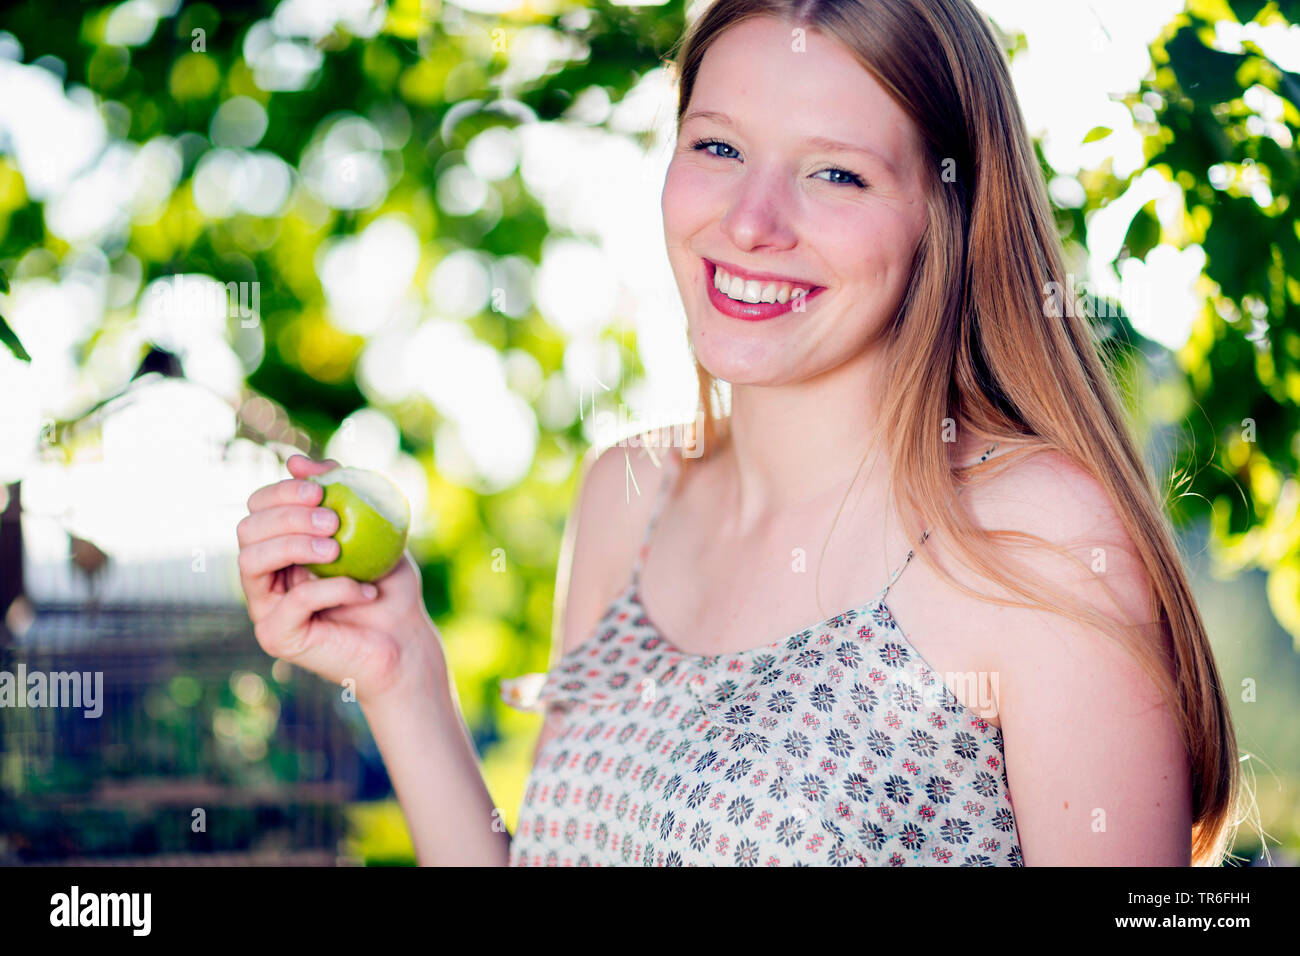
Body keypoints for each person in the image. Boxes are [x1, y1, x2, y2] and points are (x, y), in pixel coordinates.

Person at [236, 0, 1244, 866]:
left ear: (947, 216)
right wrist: (402, 666)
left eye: (836, 174)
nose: (751, 221)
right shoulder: (625, 493)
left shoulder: (1039, 536)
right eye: (717, 146)